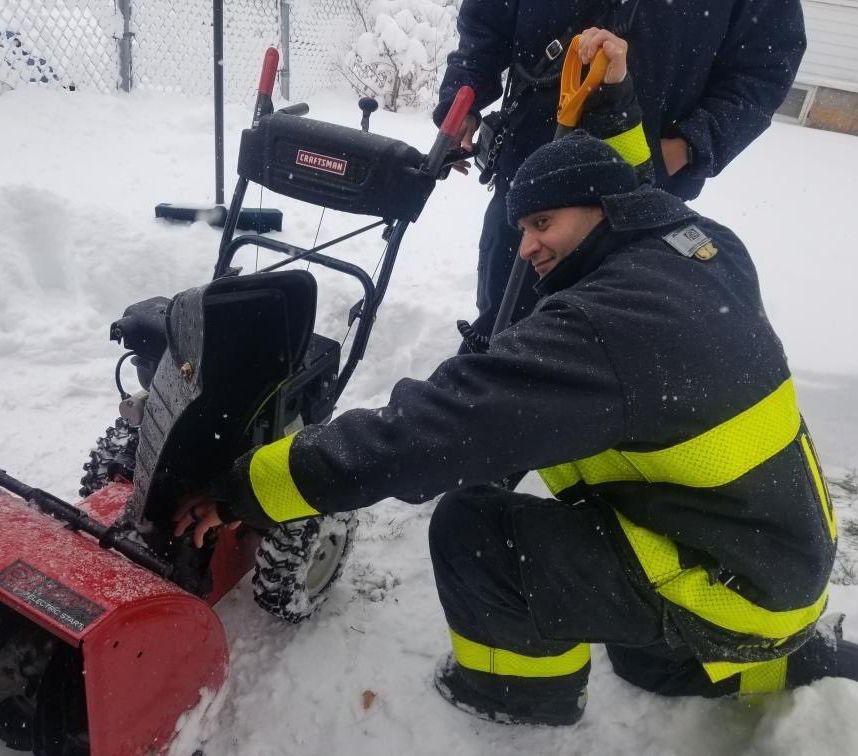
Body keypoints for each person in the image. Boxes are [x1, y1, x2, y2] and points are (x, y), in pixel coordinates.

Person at [175, 39, 856, 727]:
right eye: (522, 226)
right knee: (643, 657)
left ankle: (521, 693)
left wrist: (245, 490)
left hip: (736, 578)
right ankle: (768, 649)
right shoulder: (699, 245)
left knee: (476, 528)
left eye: (541, 222)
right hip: (774, 552)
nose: (526, 246)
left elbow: (425, 432)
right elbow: (630, 185)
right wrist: (613, 103)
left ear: (599, 209)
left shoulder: (606, 331)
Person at [434, 1, 807, 343]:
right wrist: (461, 99)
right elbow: (487, 22)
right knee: (502, 325)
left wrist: (688, 146)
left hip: (637, 197)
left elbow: (763, 72)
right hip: (528, 178)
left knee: (603, 341)